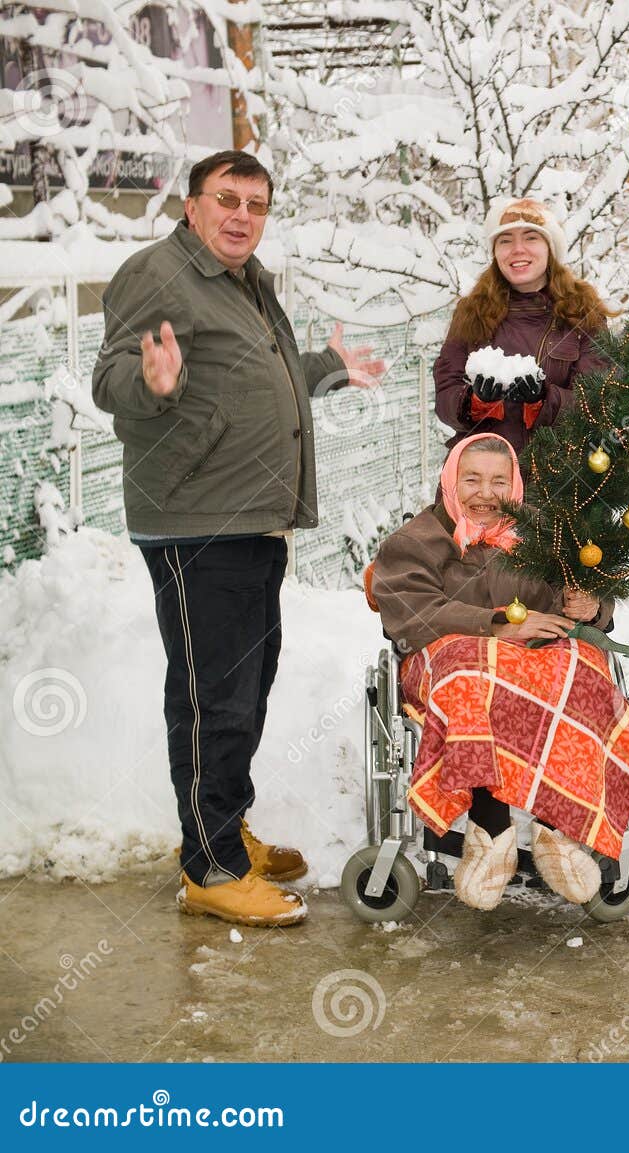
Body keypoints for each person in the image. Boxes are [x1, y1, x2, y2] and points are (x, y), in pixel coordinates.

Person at [91, 149, 386, 928]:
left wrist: (323, 368)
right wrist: (151, 384)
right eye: (227, 199)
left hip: (253, 517)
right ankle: (210, 865)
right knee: (210, 696)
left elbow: (250, 370)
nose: (242, 215)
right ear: (191, 206)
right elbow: (111, 376)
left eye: (256, 203)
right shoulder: (156, 273)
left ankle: (221, 826)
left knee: (245, 689)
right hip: (195, 523)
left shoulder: (244, 278)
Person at [369, 433, 629, 910]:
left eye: (499, 481)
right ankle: (491, 831)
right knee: (472, 678)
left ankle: (558, 833)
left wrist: (591, 605)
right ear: (450, 481)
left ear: (516, 485)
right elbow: (410, 612)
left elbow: (590, 595)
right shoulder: (416, 541)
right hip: (451, 664)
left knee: (581, 674)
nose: (485, 493)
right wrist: (496, 625)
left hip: (536, 659)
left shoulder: (545, 535)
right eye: (472, 479)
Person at [434, 198, 614, 454]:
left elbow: (596, 403)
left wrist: (544, 401)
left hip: (553, 477)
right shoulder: (471, 311)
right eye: (505, 240)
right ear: (495, 251)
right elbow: (444, 397)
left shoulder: (583, 313)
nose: (517, 249)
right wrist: (473, 402)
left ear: (550, 248)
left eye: (531, 238)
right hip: (482, 476)